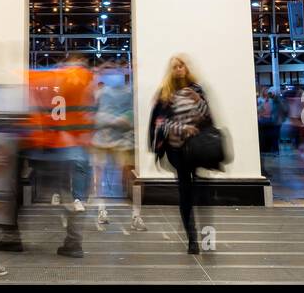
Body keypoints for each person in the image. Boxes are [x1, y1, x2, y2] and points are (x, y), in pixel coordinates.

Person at [25, 51, 95, 257]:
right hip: (80, 149)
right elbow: (90, 115)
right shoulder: (86, 82)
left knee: (66, 193)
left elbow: (39, 112)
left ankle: (72, 240)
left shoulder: (52, 80)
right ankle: (74, 243)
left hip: (58, 150)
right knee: (79, 199)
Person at [149, 54, 212, 254]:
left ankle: (205, 237)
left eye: (181, 65)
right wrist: (182, 128)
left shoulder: (197, 90)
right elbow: (160, 123)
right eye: (174, 66)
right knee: (185, 193)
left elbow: (207, 116)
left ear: (186, 68)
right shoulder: (165, 94)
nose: (178, 69)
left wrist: (199, 101)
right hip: (178, 150)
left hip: (199, 148)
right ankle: (192, 239)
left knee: (200, 193)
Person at [91, 67, 145, 231]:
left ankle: (136, 215)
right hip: (103, 139)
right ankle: (102, 210)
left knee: (131, 174)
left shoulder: (128, 93)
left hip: (122, 140)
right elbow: (95, 115)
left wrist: (123, 120)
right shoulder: (101, 93)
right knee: (99, 173)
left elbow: (133, 113)